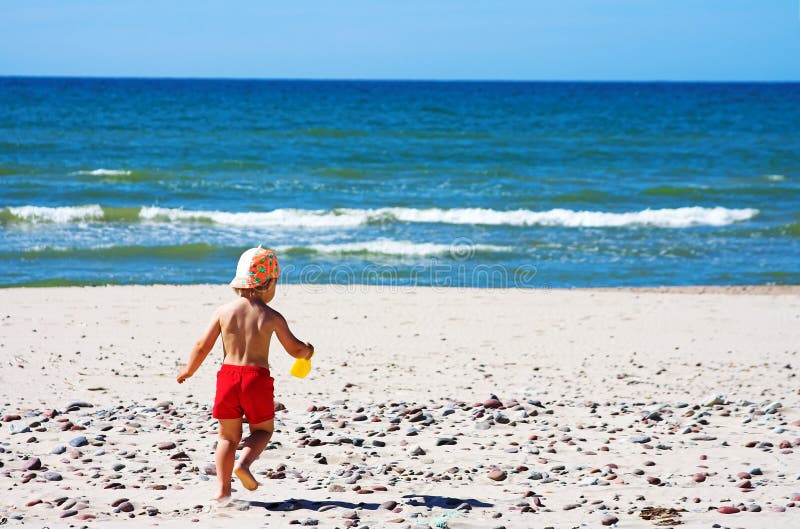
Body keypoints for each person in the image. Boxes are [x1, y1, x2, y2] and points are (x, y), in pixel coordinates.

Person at [176, 246, 314, 501]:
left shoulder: (223, 312)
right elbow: (294, 349)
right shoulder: (271, 316)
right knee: (262, 431)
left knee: (227, 437)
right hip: (256, 379)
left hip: (228, 378)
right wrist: (307, 351)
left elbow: (201, 346)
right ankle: (244, 464)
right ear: (270, 283)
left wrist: (189, 370)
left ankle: (222, 490)